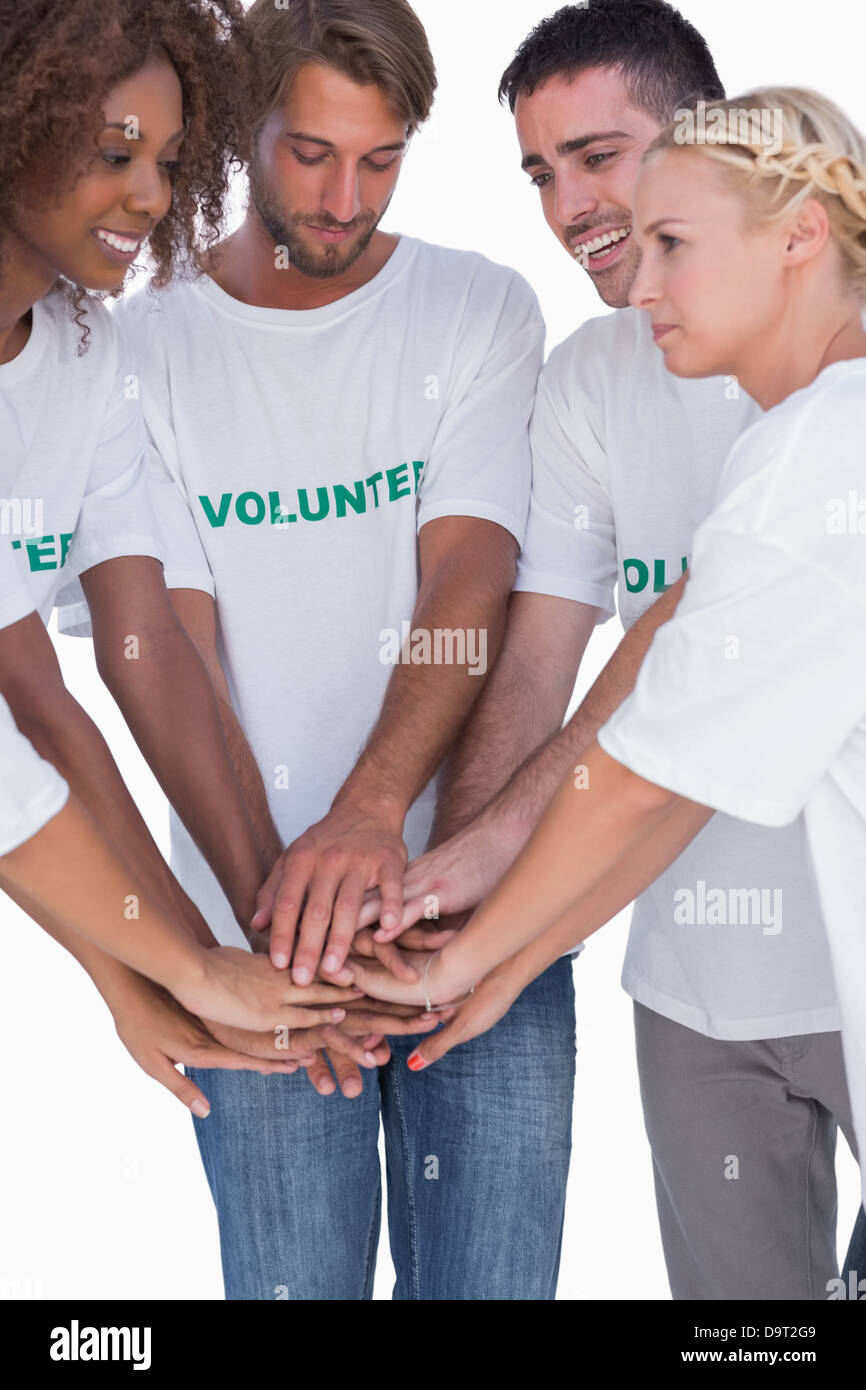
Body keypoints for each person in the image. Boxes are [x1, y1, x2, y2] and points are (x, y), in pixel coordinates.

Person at [73, 0, 582, 1302]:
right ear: (241, 128)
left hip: (483, 914)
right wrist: (289, 923)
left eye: (379, 159)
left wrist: (369, 819)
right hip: (260, 941)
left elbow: (469, 578)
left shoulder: (476, 309)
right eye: (309, 154)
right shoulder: (133, 351)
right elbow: (168, 649)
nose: (344, 197)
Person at [358, 3, 863, 1300]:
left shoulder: (826, 448)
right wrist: (486, 919)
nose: (619, 260)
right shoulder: (765, 433)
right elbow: (650, 677)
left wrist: (475, 951)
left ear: (790, 226)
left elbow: (646, 773)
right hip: (697, 989)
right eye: (540, 174)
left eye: (664, 233)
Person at [0, 0, 407, 1117]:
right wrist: (161, 968)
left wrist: (265, 948)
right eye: (113, 152)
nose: (151, 195)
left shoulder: (83, 356)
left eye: (171, 160)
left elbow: (100, 671)